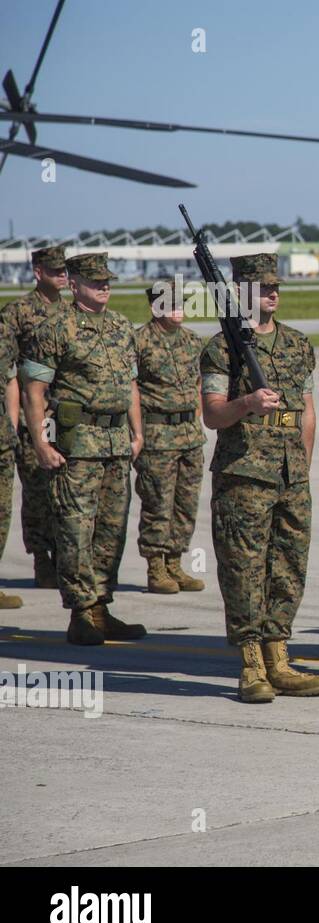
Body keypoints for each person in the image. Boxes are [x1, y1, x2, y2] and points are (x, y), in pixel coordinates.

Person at [201, 253, 319, 703]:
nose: (273, 293)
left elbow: (307, 413)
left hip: (292, 476)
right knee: (244, 569)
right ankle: (252, 662)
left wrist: (304, 469)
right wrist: (247, 404)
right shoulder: (222, 347)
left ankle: (279, 655)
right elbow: (213, 415)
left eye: (277, 286)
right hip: (244, 476)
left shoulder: (297, 344)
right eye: (263, 287)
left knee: (289, 567)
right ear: (241, 292)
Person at [21, 253, 146, 645]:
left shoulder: (122, 327)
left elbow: (130, 384)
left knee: (111, 530)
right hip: (77, 445)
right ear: (74, 285)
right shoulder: (56, 327)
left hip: (115, 442)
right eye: (95, 281)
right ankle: (80, 613)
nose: (104, 286)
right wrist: (41, 442)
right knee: (75, 529)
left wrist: (137, 432)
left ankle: (100, 608)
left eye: (107, 280)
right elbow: (34, 390)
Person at [0, 244, 67, 587]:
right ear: (38, 272)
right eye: (56, 271)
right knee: (39, 492)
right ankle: (42, 558)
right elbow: (8, 371)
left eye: (65, 270)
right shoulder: (18, 312)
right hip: (34, 417)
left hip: (67, 417)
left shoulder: (73, 311)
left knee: (66, 492)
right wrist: (14, 424)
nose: (63, 276)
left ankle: (66, 559)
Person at [134, 282, 205, 594]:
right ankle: (156, 567)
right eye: (170, 303)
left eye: (181, 303)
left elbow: (200, 383)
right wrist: (136, 432)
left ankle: (175, 562)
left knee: (185, 503)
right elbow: (130, 389)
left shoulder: (193, 341)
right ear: (155, 308)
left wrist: (198, 416)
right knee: (157, 502)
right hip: (157, 435)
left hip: (190, 434)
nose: (178, 309)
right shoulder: (139, 341)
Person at [0, 311, 23, 609]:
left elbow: (11, 380)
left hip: (2, 438)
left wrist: (12, 426)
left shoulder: (3, 332)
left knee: (2, 514)